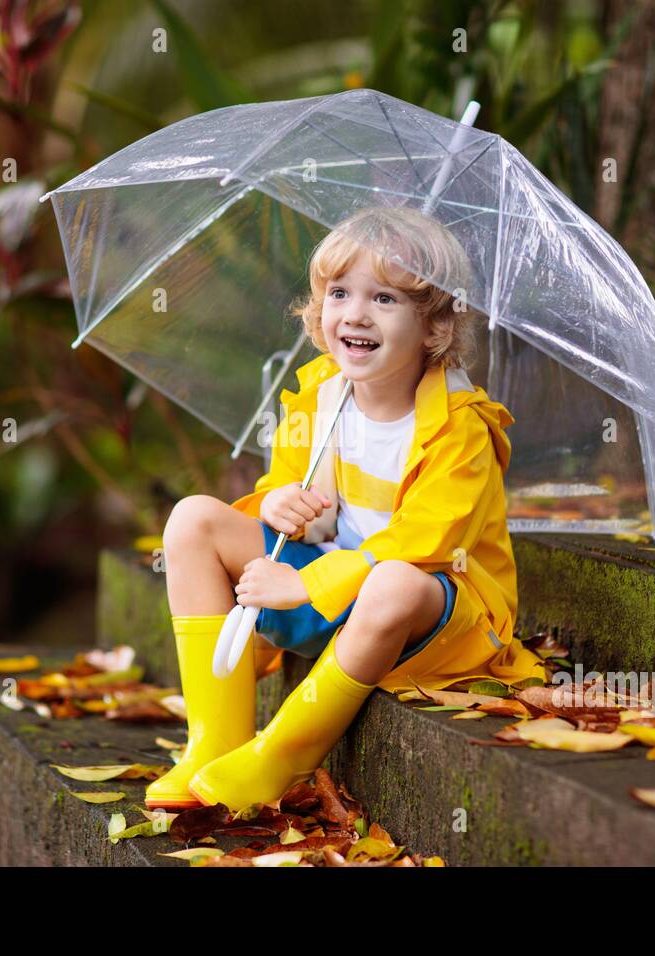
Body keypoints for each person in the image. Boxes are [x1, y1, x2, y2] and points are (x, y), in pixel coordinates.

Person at [144, 205, 544, 812]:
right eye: (339, 293)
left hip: (427, 615)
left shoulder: (461, 428)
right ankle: (214, 742)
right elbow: (285, 486)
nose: (355, 313)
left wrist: (305, 586)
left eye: (385, 298)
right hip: (327, 581)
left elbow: (424, 544)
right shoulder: (319, 394)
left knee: (392, 582)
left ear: (435, 327)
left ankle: (283, 756)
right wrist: (279, 502)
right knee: (193, 518)